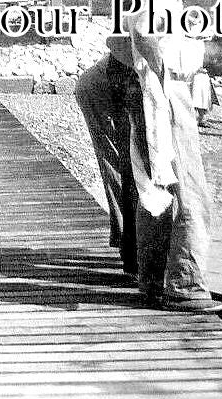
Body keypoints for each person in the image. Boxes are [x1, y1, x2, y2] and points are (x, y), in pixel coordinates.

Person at [124, 0, 222, 313]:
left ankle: (153, 281)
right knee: (192, 193)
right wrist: (200, 54)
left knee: (158, 195)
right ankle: (185, 284)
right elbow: (144, 38)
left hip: (163, 99)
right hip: (166, 101)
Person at [74, 34, 140, 277]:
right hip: (97, 92)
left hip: (110, 89)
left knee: (128, 168)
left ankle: (128, 243)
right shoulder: (131, 49)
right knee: (118, 168)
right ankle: (128, 247)